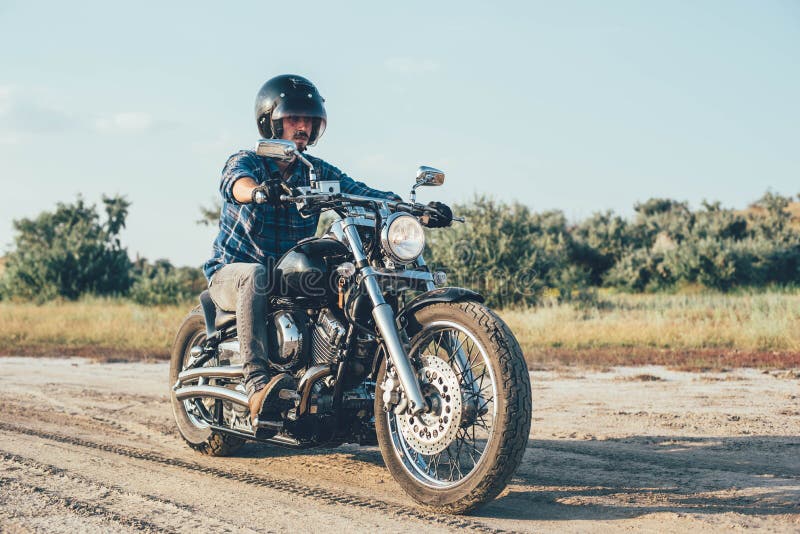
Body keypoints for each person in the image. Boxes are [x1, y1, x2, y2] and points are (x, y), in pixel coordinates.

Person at [203, 74, 451, 427]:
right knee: (255, 276)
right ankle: (257, 383)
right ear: (271, 121)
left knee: (344, 275)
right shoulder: (249, 160)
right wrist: (258, 191)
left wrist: (415, 210)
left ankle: (348, 383)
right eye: (293, 118)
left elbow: (362, 192)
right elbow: (234, 184)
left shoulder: (317, 171)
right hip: (234, 271)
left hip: (289, 275)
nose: (302, 126)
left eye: (308, 120)